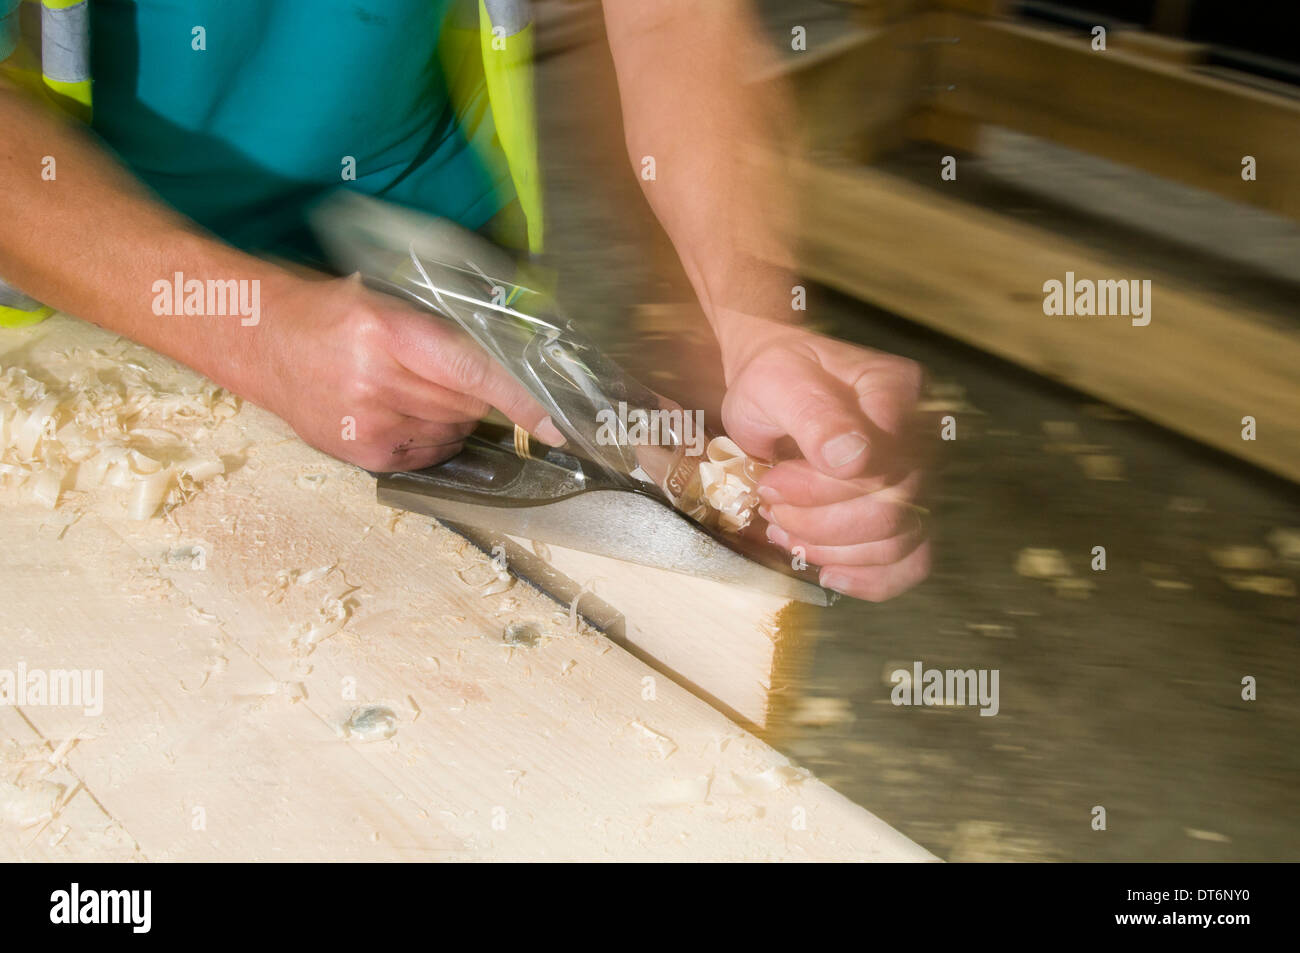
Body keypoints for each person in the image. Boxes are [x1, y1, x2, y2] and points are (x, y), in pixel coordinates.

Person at [0, 0, 927, 601]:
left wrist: (751, 308)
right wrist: (244, 325)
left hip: (429, 258)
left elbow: (670, 19)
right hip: (84, 302)